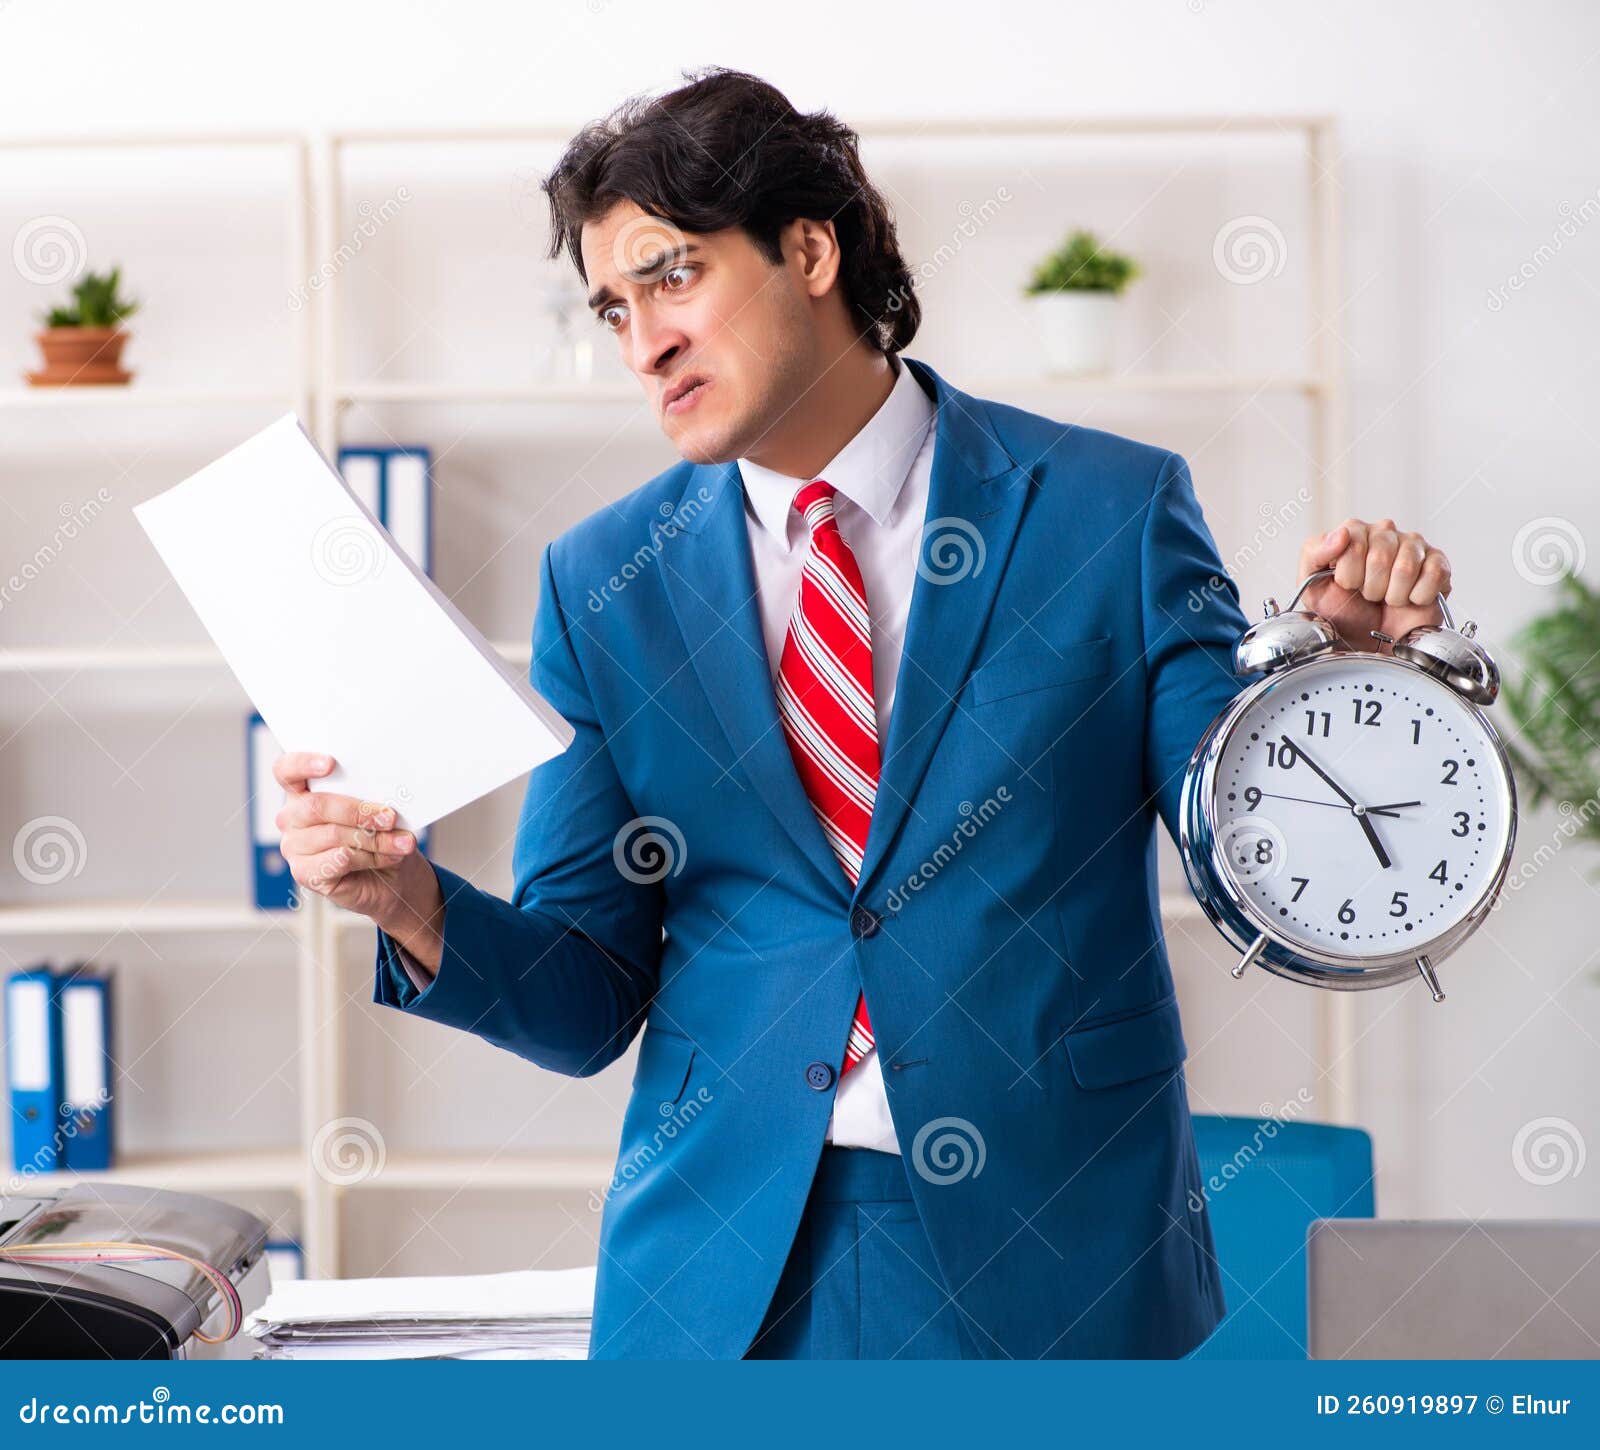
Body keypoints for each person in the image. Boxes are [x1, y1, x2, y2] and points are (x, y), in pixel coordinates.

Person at [274, 68, 1451, 1360]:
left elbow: (1252, 850)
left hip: (1062, 1252)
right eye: (613, 308)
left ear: (810, 248)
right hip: (726, 1280)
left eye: (673, 278)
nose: (642, 342)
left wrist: (1337, 687)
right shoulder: (609, 586)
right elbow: (587, 998)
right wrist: (411, 905)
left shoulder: (1105, 511)